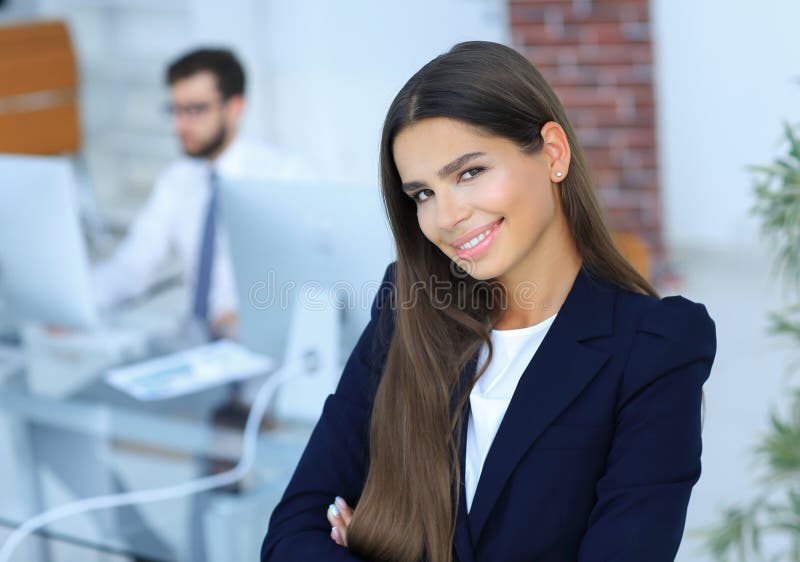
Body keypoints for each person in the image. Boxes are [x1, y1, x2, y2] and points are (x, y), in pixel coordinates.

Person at [260, 41, 717, 562]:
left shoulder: (655, 348)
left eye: (469, 172)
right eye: (422, 194)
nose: (446, 216)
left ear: (553, 153)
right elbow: (291, 536)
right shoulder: (408, 308)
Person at [92, 47, 310, 342]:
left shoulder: (284, 176)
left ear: (234, 108)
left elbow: (310, 278)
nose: (179, 125)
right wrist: (78, 302)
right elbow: (132, 267)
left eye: (194, 110)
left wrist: (252, 315)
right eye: (175, 110)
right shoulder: (178, 179)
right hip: (192, 347)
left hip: (259, 347)